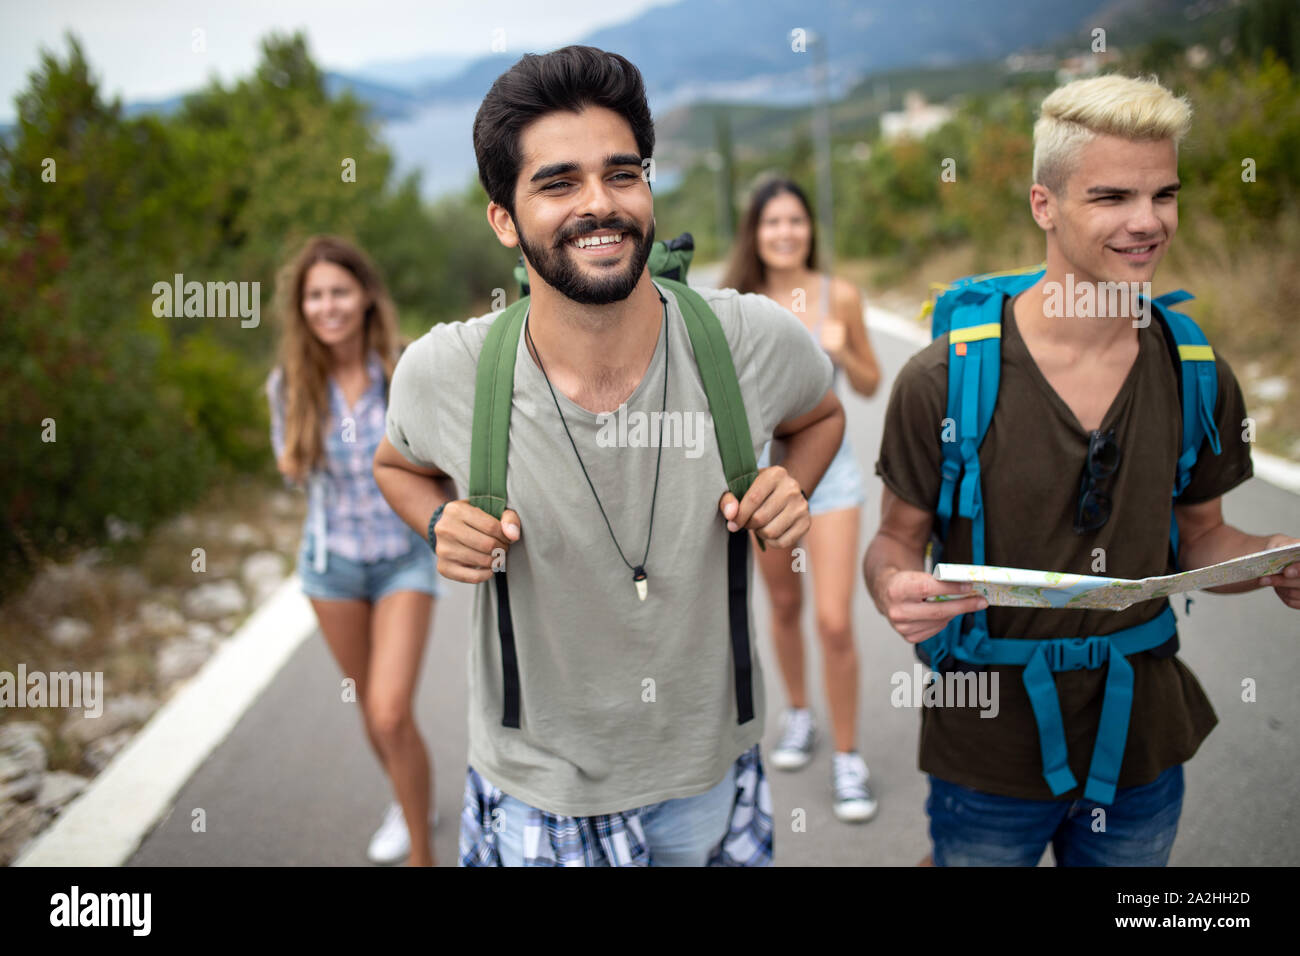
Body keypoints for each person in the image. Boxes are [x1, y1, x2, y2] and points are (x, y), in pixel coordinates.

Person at [374, 45, 845, 866]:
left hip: (711, 775)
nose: (601, 204)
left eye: (622, 175)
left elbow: (822, 414)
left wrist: (790, 486)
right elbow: (396, 466)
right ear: (502, 219)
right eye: (558, 184)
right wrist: (439, 519)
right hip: (538, 790)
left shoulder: (747, 338)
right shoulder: (443, 371)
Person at [863, 73, 1300, 867]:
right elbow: (894, 542)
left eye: (1163, 194)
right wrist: (895, 589)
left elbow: (1202, 542)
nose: (1147, 223)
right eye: (1111, 198)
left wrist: (1273, 558)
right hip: (987, 749)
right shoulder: (942, 380)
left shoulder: (1196, 370)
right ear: (1044, 205)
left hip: (1140, 749)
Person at [266, 235, 443, 867]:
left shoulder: (403, 370)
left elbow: (436, 462)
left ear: (366, 296)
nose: (328, 306)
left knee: (392, 712)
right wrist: (295, 452)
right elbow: (292, 469)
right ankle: (405, 796)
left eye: (339, 291)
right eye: (314, 296)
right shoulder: (290, 384)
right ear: (301, 307)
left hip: (403, 558)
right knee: (373, 713)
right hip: (331, 568)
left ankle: (423, 853)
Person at [722, 177, 883, 822]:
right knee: (783, 605)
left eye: (796, 220)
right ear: (755, 234)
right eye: (772, 222)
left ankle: (849, 756)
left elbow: (869, 385)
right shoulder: (737, 304)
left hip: (833, 478)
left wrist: (846, 350)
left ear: (809, 228)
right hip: (762, 480)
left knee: (835, 621)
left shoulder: (839, 295)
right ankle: (797, 714)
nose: (785, 232)